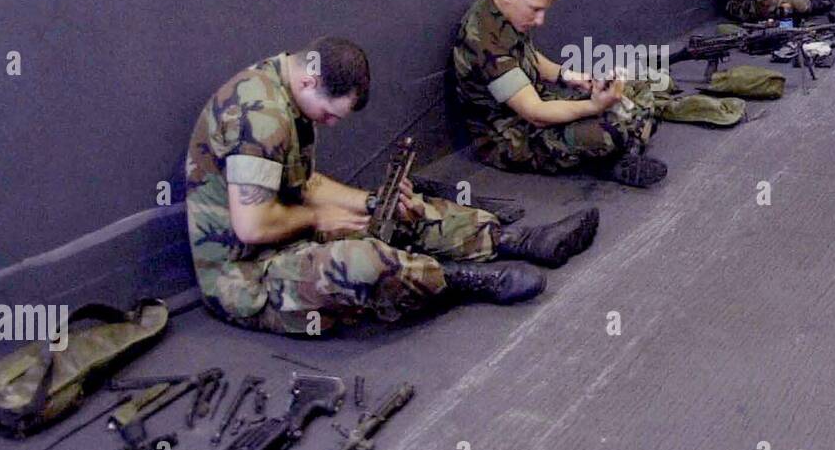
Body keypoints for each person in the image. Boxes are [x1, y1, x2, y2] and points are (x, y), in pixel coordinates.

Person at [186, 37, 599, 336]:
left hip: (283, 235)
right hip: (245, 277)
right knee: (362, 262)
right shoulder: (260, 116)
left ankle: (516, 239)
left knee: (397, 207)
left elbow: (305, 183)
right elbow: (252, 227)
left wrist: (371, 202)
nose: (330, 124)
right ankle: (455, 280)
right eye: (330, 115)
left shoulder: (287, 91)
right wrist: (320, 219)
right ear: (311, 81)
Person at [454, 0, 667, 187]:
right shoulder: (485, 41)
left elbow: (530, 56)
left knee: (638, 88)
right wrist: (595, 106)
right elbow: (536, 113)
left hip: (536, 104)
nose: (540, 20)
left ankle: (621, 147)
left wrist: (570, 77)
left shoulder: (502, 12)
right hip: (507, 137)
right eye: (535, 10)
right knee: (610, 129)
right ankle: (615, 155)